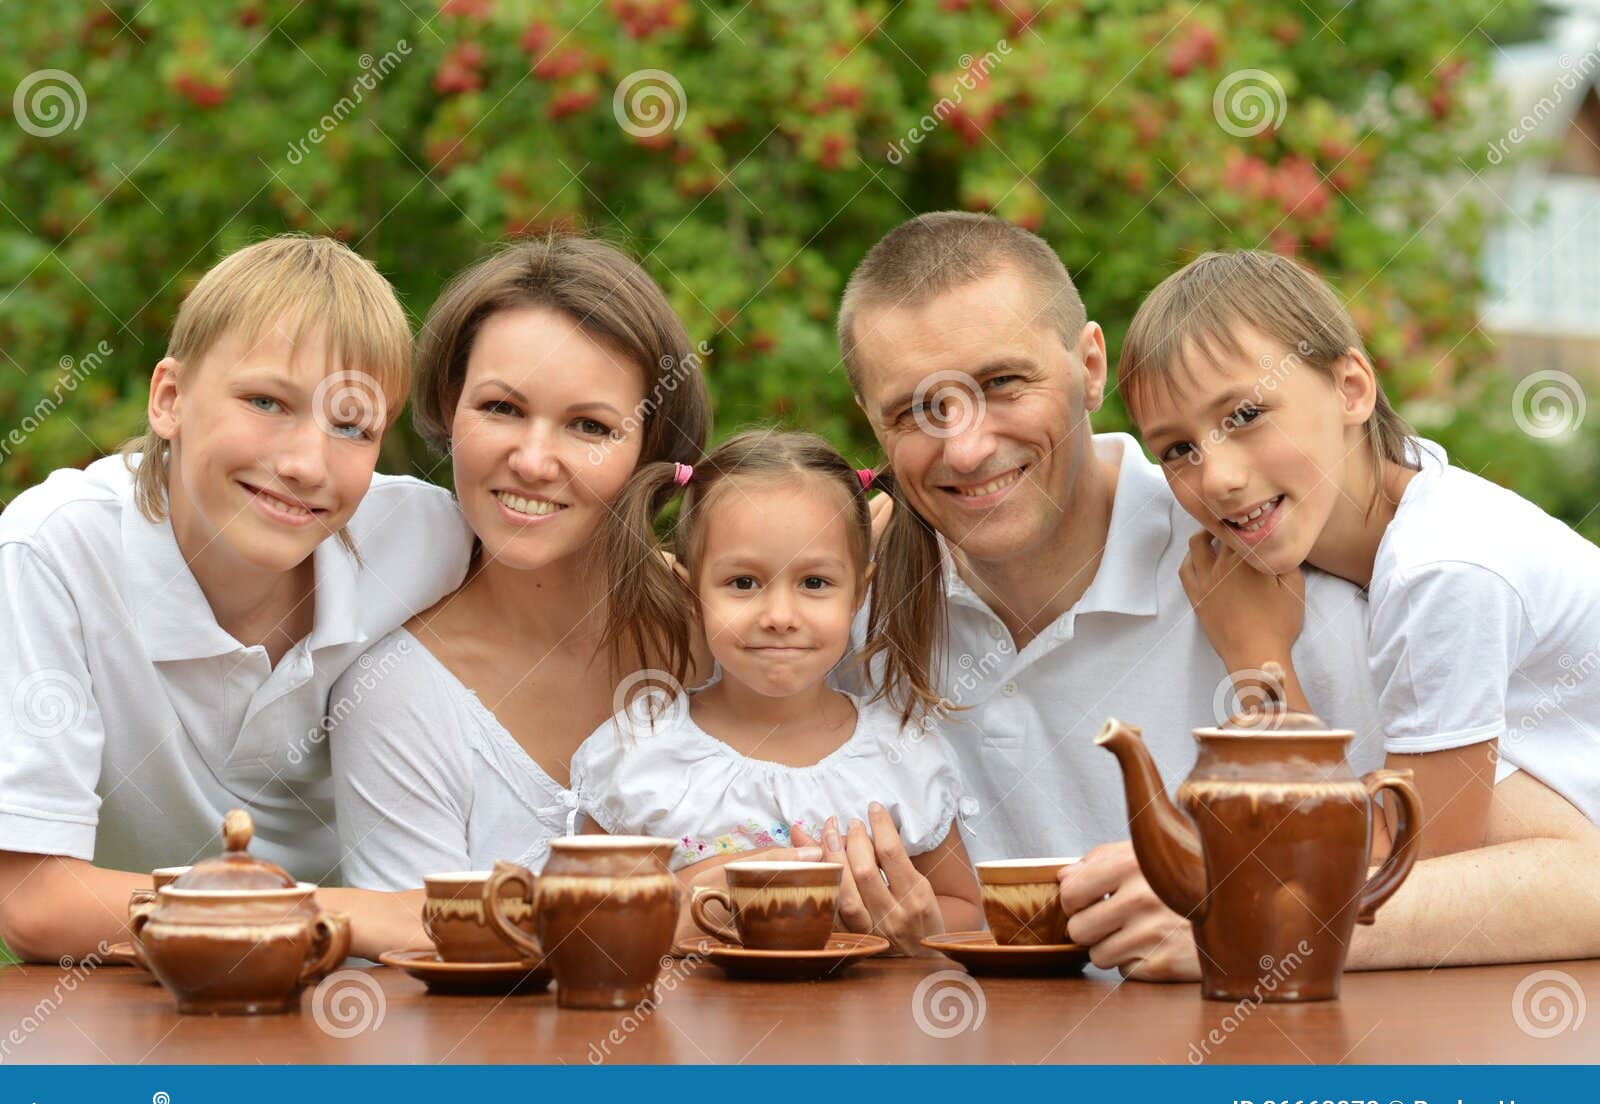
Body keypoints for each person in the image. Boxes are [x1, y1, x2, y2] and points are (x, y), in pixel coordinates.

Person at [817, 211, 1600, 977]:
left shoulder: (1274, 574)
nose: (967, 445)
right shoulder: (832, 612)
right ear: (875, 426)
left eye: (1003, 382)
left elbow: (1577, 881)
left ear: (1090, 367)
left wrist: (1240, 910)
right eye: (917, 410)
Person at [0, 235, 473, 962]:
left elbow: (628, 577)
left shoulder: (426, 537)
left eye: (352, 426)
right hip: (143, 1010)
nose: (304, 464)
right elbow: (31, 900)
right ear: (169, 398)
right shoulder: (53, 551)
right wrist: (345, 915)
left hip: (354, 1010)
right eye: (266, 401)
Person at [1118, 248, 1600, 861]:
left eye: (1244, 414)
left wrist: (1259, 659)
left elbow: (1403, 866)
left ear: (1351, 389)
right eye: (1177, 449)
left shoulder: (1444, 567)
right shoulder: (1406, 488)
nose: (1216, 478)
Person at [330, 235, 714, 900]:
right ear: (450, 410)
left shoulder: (732, 640)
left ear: (652, 448)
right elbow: (421, 967)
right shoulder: (394, 692)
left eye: (590, 426)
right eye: (502, 408)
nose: (534, 461)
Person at [573, 430, 983, 951]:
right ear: (689, 592)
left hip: (866, 1031)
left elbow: (966, 911)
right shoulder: (641, 753)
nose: (780, 617)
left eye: (815, 583)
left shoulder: (903, 754)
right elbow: (583, 925)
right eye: (743, 583)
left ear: (859, 591)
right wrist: (681, 910)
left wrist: (910, 927)